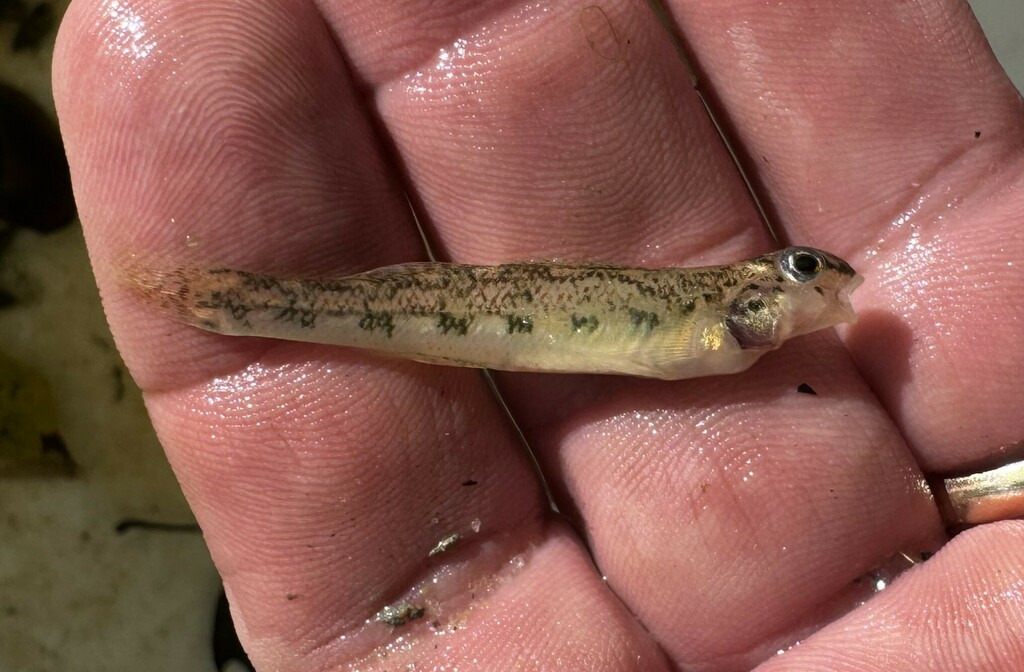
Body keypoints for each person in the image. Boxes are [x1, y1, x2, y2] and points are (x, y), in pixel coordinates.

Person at [53, 0, 1024, 669]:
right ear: (766, 288)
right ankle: (210, 299)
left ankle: (216, 299)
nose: (820, 288)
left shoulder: (734, 325)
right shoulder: (725, 310)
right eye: (805, 273)